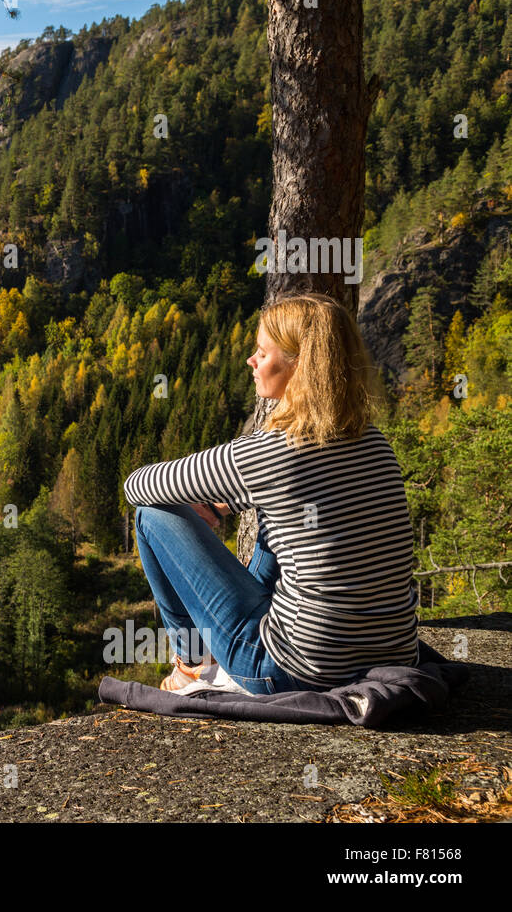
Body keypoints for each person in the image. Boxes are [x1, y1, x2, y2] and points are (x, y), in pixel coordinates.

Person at [123, 293, 419, 694]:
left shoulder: (271, 452)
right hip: (393, 655)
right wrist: (222, 500)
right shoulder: (374, 443)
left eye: (262, 352)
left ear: (300, 365)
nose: (251, 360)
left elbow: (138, 484)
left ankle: (191, 662)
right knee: (277, 516)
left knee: (151, 515)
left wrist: (199, 502)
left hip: (290, 670)